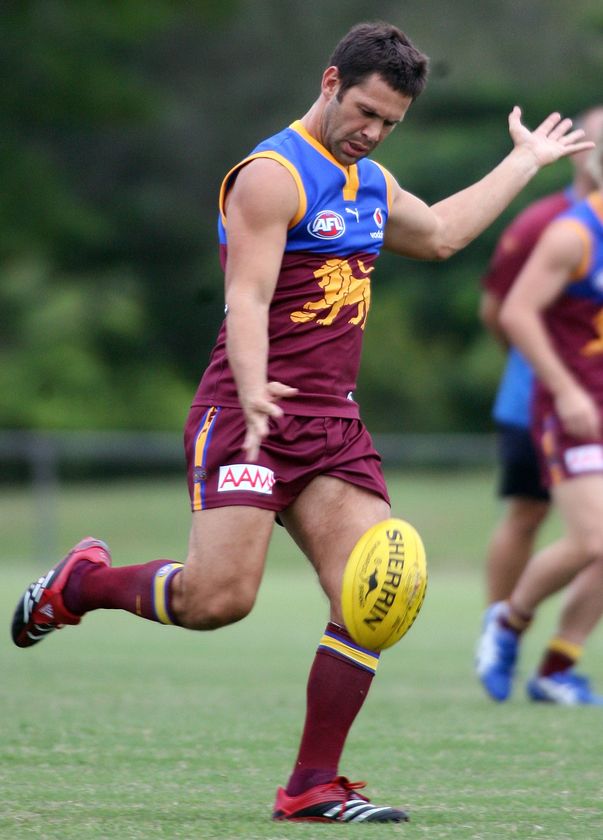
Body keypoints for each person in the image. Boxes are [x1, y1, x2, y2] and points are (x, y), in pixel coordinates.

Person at [11, 21, 593, 824]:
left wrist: (523, 162)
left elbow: (445, 235)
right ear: (329, 82)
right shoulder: (271, 176)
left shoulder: (371, 182)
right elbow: (245, 298)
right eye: (362, 112)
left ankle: (311, 784)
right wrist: (253, 388)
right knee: (217, 601)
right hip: (245, 415)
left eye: (389, 122)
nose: (371, 132)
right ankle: (84, 584)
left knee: (375, 593)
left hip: (331, 429)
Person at [476, 107, 603, 705]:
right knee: (589, 539)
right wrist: (570, 389)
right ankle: (508, 621)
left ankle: (557, 668)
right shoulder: (570, 233)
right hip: (571, 404)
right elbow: (514, 312)